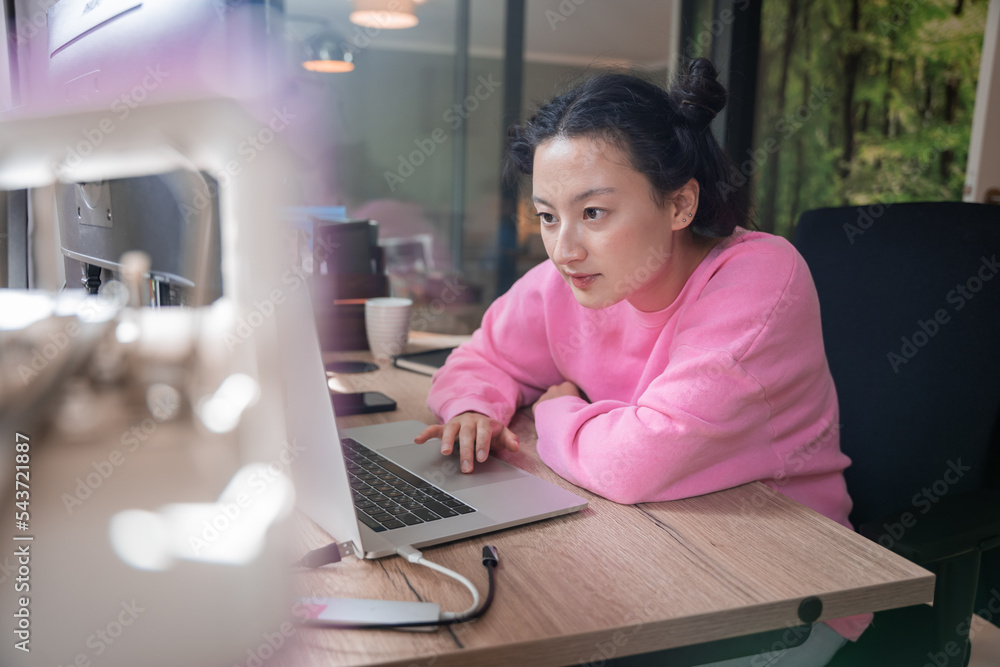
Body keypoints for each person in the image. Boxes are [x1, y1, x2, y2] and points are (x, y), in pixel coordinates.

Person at [414, 59, 868, 665]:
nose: (564, 248)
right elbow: (482, 357)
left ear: (679, 205)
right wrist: (475, 407)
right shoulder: (570, 281)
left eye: (594, 213)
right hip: (644, 549)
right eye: (548, 216)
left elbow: (637, 459)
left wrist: (559, 409)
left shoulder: (761, 276)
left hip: (780, 591)